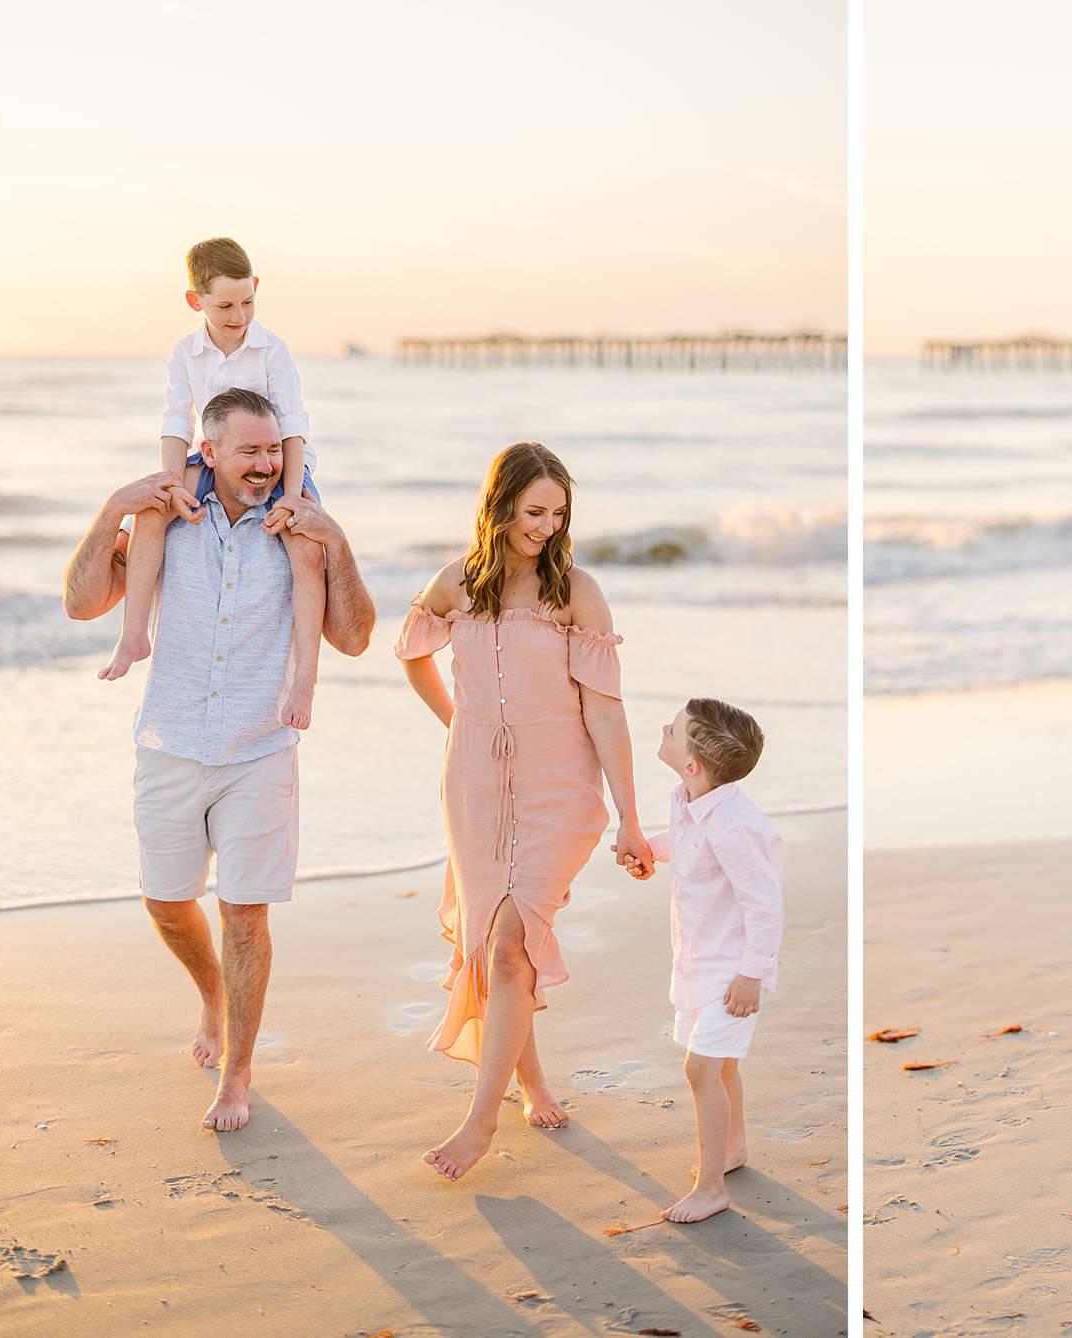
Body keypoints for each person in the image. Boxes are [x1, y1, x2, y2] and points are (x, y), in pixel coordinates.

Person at [62, 388, 374, 1133]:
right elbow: (80, 604)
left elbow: (355, 638)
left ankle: (237, 1074)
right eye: (250, 452)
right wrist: (112, 509)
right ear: (209, 453)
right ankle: (213, 994)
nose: (266, 465)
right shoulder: (168, 519)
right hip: (169, 743)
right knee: (168, 904)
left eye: (274, 450)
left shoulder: (297, 527)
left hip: (259, 749)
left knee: (243, 915)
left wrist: (340, 545)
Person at [396, 441, 652, 1181]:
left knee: (512, 932)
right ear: (500, 505)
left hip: (559, 786)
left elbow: (606, 714)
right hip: (473, 782)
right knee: (499, 944)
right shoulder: (458, 584)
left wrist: (629, 816)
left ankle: (479, 1123)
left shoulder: (576, 591)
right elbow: (411, 652)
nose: (546, 526)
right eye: (534, 511)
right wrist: (458, 722)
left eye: (558, 514)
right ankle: (531, 1083)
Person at [102, 237, 327, 733]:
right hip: (211, 457)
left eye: (248, 302)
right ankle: (135, 633)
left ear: (257, 290)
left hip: (278, 458)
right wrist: (169, 483)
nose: (238, 315)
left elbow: (292, 425)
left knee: (307, 546)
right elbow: (176, 420)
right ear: (195, 301)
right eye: (225, 305)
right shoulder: (187, 352)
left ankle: (306, 676)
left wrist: (291, 494)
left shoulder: (271, 348)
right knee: (151, 510)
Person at [618, 698, 783, 1224]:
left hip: (732, 971)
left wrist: (752, 973)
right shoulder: (689, 798)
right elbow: (689, 845)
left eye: (676, 729)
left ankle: (711, 1185)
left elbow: (764, 903)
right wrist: (650, 850)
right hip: (697, 959)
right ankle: (733, 1149)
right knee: (722, 1063)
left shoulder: (734, 824)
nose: (664, 728)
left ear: (693, 764)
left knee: (700, 1070)